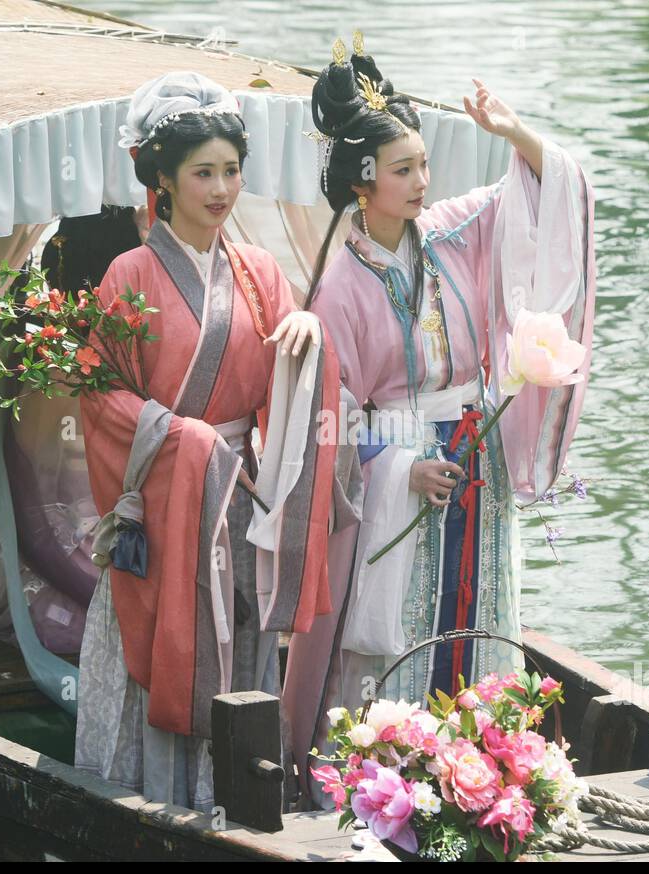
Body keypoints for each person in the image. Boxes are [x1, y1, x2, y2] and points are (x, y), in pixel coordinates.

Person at [282, 36, 596, 805]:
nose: (424, 181)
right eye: (404, 170)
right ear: (364, 182)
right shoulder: (339, 290)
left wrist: (516, 133)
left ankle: (481, 775)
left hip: (472, 461)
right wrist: (399, 468)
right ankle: (391, 786)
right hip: (404, 479)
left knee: (478, 612)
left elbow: (539, 198)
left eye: (424, 165)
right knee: (403, 634)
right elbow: (335, 422)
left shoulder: (451, 234)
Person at [74, 72, 340, 810]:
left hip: (237, 500)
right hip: (168, 506)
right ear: (163, 178)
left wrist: (309, 338)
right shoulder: (129, 273)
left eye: (231, 171)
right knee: (163, 650)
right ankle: (148, 805)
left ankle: (239, 800)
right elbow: (100, 399)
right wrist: (181, 440)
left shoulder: (257, 273)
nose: (222, 188)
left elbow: (286, 385)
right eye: (203, 173)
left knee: (240, 644)